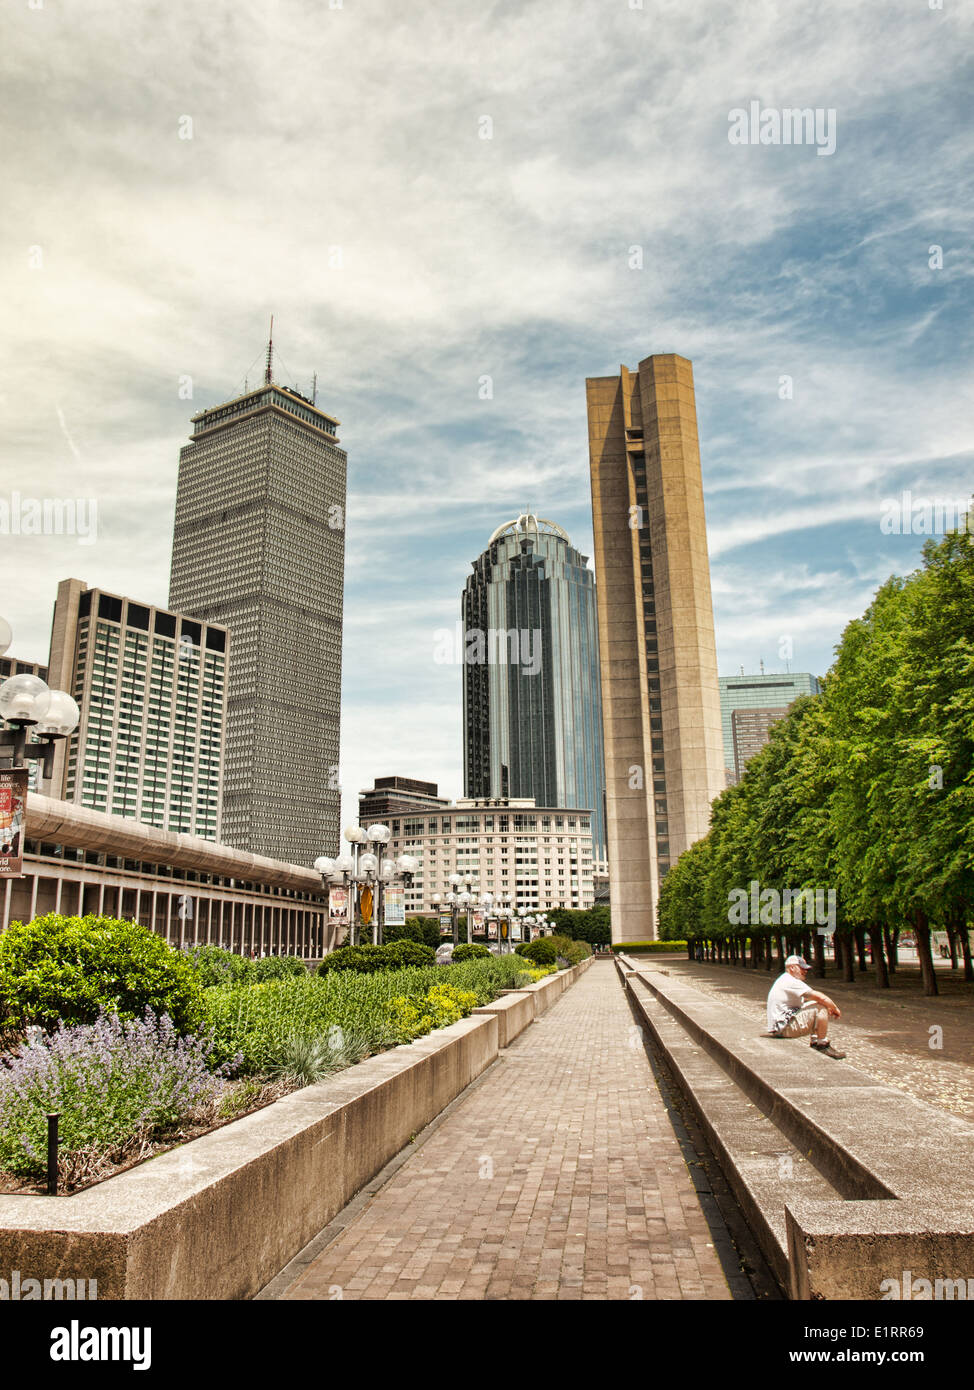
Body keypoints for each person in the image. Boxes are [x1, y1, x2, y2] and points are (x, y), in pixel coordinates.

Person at [766, 955, 846, 1059]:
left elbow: (811, 1000)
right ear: (792, 968)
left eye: (806, 969)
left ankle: (815, 1042)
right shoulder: (791, 981)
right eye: (802, 968)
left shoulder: (784, 979)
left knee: (815, 1005)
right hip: (784, 1029)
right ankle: (822, 1045)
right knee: (820, 1007)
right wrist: (834, 1009)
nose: (805, 971)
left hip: (779, 1027)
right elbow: (820, 997)